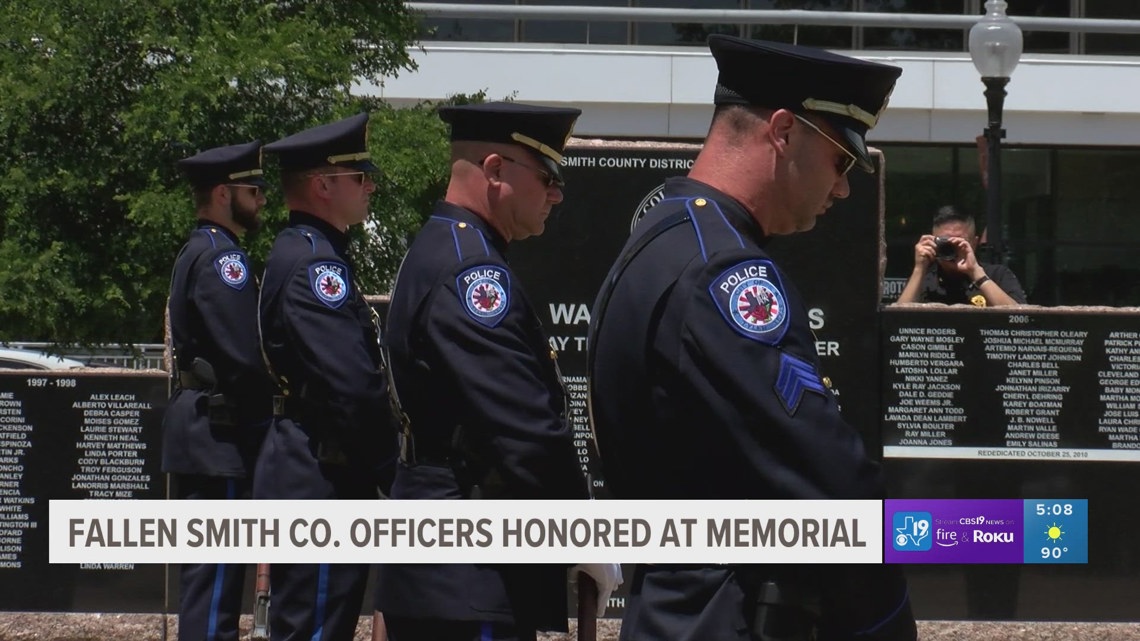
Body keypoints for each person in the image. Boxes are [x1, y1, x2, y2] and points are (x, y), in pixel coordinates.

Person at [587, 35, 916, 641]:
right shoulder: (727, 272)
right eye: (840, 160)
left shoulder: (660, 238)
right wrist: (888, 620)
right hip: (729, 614)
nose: (843, 187)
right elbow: (829, 483)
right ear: (784, 132)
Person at [374, 102, 622, 641]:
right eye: (547, 177)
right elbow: (525, 430)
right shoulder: (471, 272)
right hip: (469, 567)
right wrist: (583, 532)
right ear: (493, 170)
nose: (556, 194)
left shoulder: (447, 247)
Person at [256, 113, 398, 641]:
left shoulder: (308, 253)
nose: (371, 186)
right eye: (359, 178)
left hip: (313, 467)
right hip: (322, 475)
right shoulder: (317, 267)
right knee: (314, 626)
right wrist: (393, 472)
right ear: (322, 186)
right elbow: (354, 387)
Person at [164, 140, 276, 641]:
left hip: (209, 433)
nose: (262, 200)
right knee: (214, 590)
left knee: (211, 584)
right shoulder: (221, 259)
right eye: (253, 190)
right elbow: (244, 356)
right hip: (221, 436)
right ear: (222, 194)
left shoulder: (201, 249)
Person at [895, 205, 1026, 306]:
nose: (952, 248)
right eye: (945, 242)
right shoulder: (924, 280)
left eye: (959, 242)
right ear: (933, 242)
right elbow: (898, 322)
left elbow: (1019, 320)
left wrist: (976, 273)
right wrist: (919, 268)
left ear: (974, 243)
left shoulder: (997, 275)